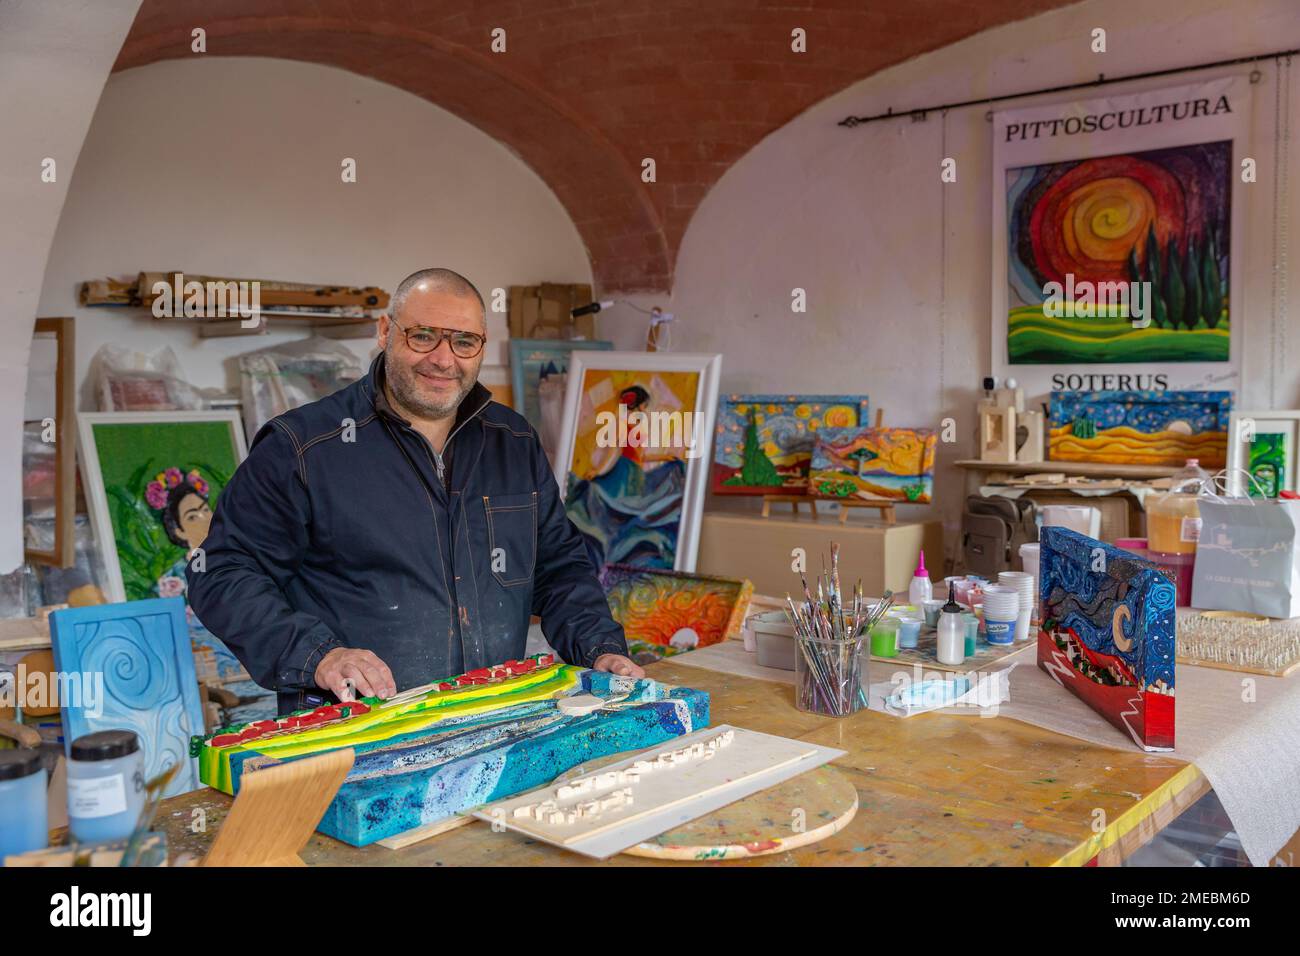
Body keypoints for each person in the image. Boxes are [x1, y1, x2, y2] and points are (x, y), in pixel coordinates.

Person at [187, 268, 643, 715]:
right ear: (386, 331)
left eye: (464, 341)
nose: (444, 359)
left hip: (491, 715)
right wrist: (320, 656)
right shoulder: (304, 447)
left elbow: (559, 567)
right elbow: (222, 572)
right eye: (423, 336)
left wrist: (599, 647)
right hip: (354, 732)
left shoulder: (514, 442)